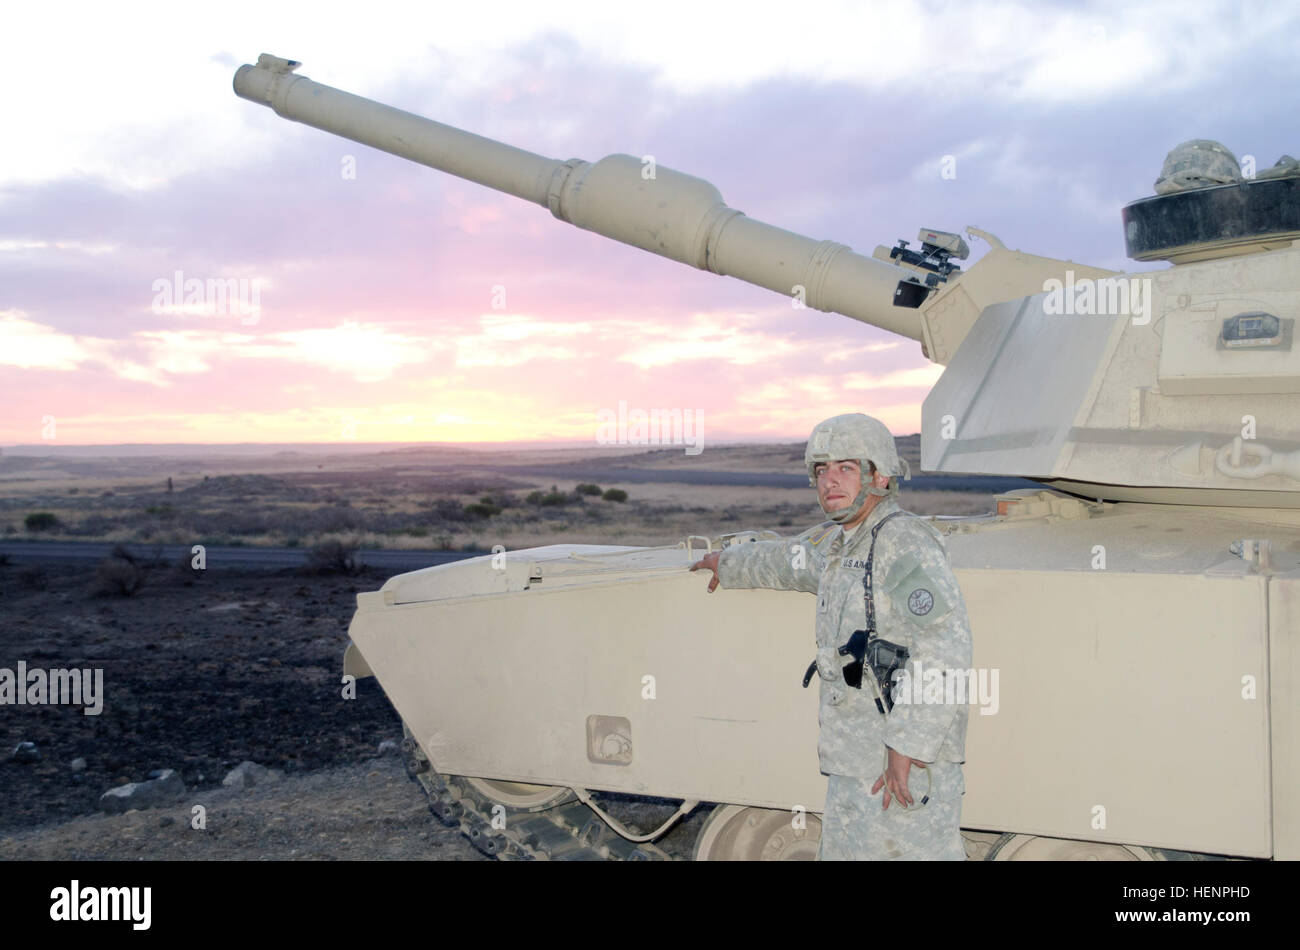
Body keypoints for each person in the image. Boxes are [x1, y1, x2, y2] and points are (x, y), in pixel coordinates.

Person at [690, 413, 972, 860]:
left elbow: (945, 645)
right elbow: (789, 562)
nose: (829, 482)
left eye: (845, 468)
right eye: (821, 471)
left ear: (879, 475)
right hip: (856, 759)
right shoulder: (842, 544)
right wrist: (725, 563)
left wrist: (907, 744)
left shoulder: (900, 543)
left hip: (899, 765)